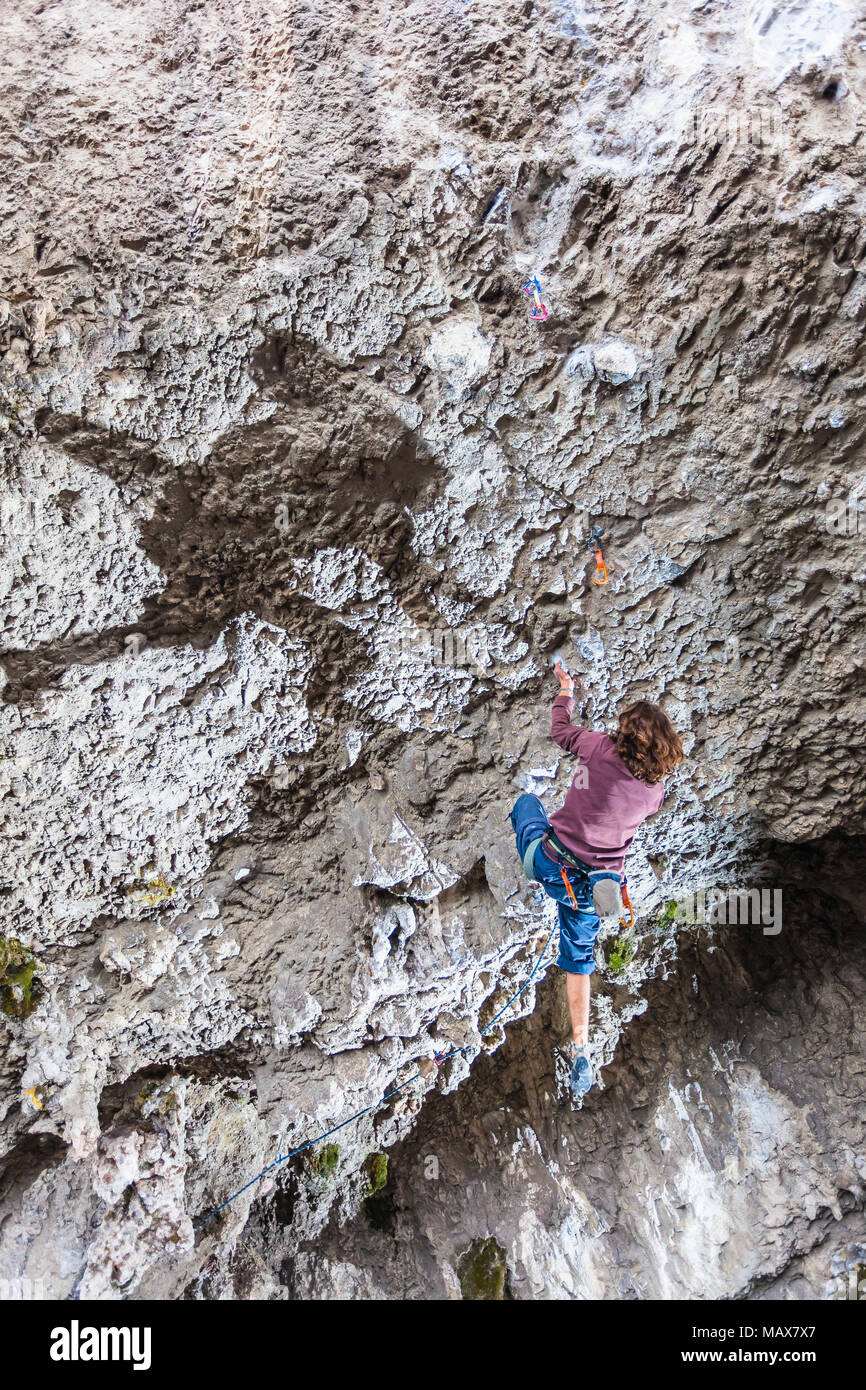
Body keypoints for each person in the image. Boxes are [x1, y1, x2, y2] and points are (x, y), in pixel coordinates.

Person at [510, 660, 683, 1097]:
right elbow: (643, 804)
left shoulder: (599, 748)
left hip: (551, 862)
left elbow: (560, 730)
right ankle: (582, 1049)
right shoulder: (655, 791)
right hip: (595, 885)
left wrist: (565, 690)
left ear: (624, 737)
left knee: (527, 803)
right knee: (579, 961)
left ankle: (543, 876)